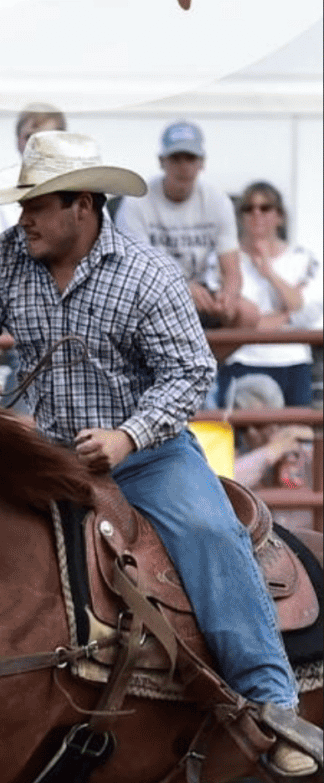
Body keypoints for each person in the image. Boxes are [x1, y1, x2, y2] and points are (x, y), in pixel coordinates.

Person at [0, 130, 319, 780]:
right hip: (39, 447)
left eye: (38, 204)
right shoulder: (5, 258)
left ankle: (272, 705)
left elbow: (190, 370)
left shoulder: (146, 273)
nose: (23, 218)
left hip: (148, 456)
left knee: (208, 532)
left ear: (81, 206)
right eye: (22, 204)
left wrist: (128, 435)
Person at [114, 120, 242, 329]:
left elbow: (232, 269)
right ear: (162, 162)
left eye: (190, 158)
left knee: (247, 314)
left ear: (202, 163)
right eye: (176, 158)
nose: (183, 166)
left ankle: (207, 361)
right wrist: (180, 288)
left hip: (200, 294)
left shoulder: (218, 201)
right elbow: (134, 270)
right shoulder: (136, 202)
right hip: (150, 295)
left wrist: (229, 295)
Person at [208, 181, 321, 408]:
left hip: (293, 361)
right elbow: (223, 311)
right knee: (242, 439)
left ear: (280, 216)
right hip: (242, 360)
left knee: (296, 437)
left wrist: (268, 272)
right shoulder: (223, 260)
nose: (256, 214)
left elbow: (305, 310)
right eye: (248, 208)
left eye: (265, 207)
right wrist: (284, 316)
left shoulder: (303, 258)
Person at [0, 104, 68, 259]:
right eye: (30, 137)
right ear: (18, 142)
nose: (38, 146)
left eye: (48, 138)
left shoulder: (84, 189)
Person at [229, 372, 314, 534]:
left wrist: (308, 435)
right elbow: (230, 480)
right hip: (264, 542)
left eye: (258, 424)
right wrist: (272, 451)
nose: (251, 433)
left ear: (277, 417)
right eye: (243, 428)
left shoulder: (302, 445)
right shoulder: (243, 455)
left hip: (306, 542)